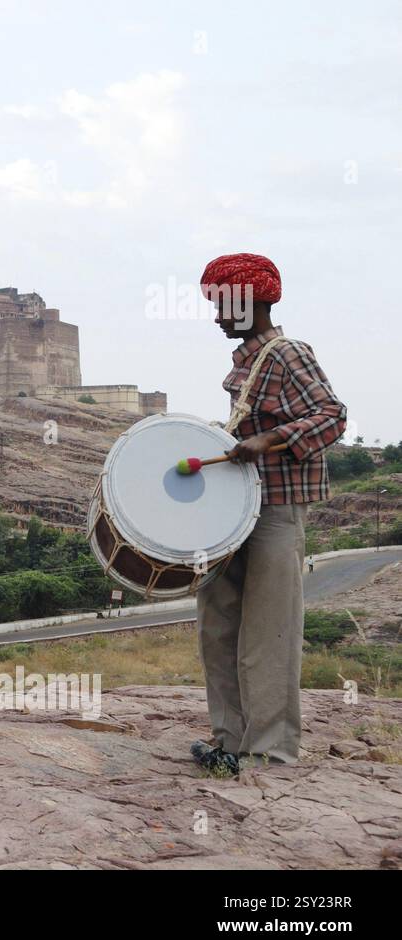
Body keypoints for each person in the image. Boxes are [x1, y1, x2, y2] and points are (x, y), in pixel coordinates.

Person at [191, 253, 346, 776]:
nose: (215, 317)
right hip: (234, 513)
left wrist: (270, 438)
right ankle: (229, 741)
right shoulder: (247, 360)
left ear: (251, 302)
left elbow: (331, 415)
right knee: (219, 626)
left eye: (220, 305)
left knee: (269, 632)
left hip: (276, 512)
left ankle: (271, 751)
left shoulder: (286, 353)